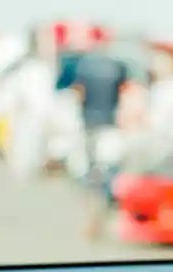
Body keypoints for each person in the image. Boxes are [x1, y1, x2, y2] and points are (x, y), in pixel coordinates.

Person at [69, 35, 128, 239]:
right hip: (110, 122)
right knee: (107, 169)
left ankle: (93, 205)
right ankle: (104, 204)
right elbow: (124, 92)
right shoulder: (117, 66)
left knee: (88, 169)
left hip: (88, 122)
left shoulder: (84, 66)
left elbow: (78, 92)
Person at [5, 28, 57, 184]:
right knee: (24, 148)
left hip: (39, 118)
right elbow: (20, 96)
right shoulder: (29, 68)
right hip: (28, 118)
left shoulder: (45, 68)